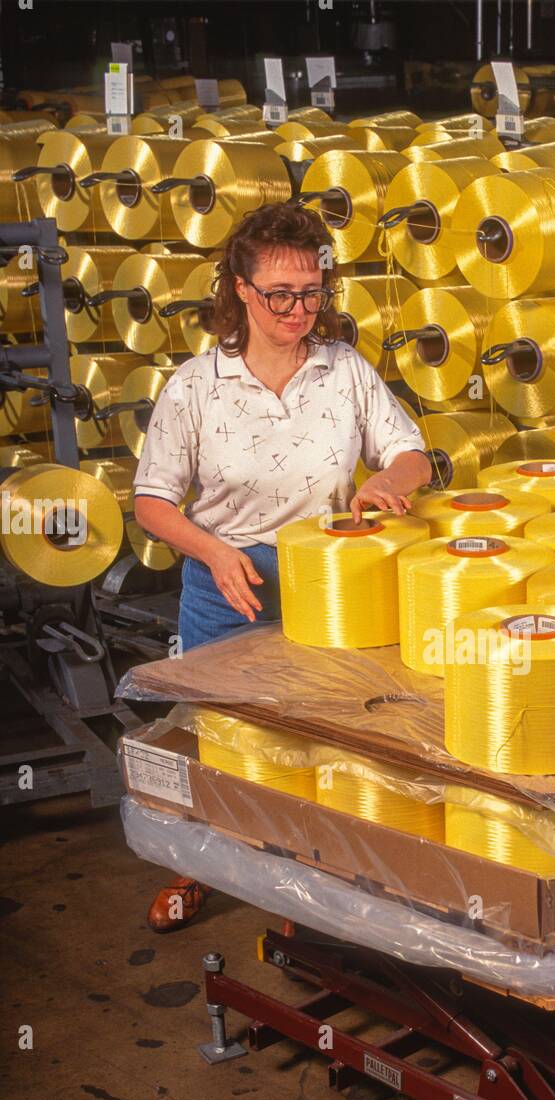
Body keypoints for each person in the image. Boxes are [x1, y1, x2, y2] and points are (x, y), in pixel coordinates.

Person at [134, 202, 431, 930]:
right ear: (239, 287)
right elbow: (151, 502)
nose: (298, 310)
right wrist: (212, 550)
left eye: (311, 293)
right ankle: (196, 866)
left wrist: (387, 482)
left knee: (317, 739)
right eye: (279, 295)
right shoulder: (196, 386)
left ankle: (302, 886)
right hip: (226, 583)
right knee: (223, 737)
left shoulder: (345, 372)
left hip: (328, 586)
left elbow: (411, 453)